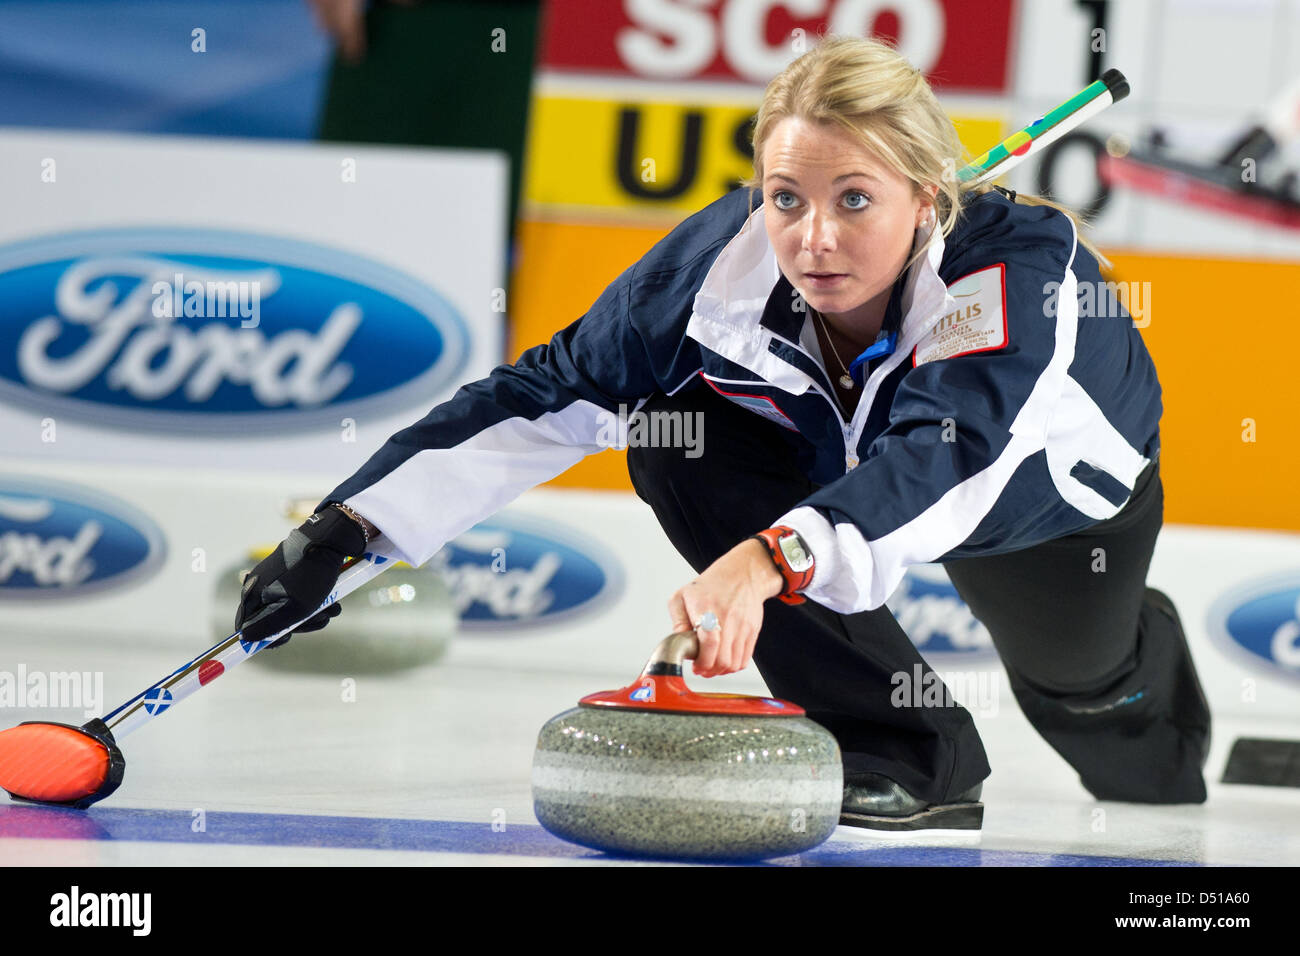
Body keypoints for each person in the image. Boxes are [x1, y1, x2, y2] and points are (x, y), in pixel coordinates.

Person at [236, 34, 1212, 831]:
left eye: (854, 199)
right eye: (787, 196)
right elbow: (547, 391)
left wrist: (765, 558)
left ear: (926, 191)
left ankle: (1138, 671)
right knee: (673, 431)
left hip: (1035, 501)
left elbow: (944, 454)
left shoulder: (1018, 275)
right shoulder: (724, 260)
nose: (812, 238)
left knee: (1089, 694)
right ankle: (901, 746)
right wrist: (350, 528)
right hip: (847, 457)